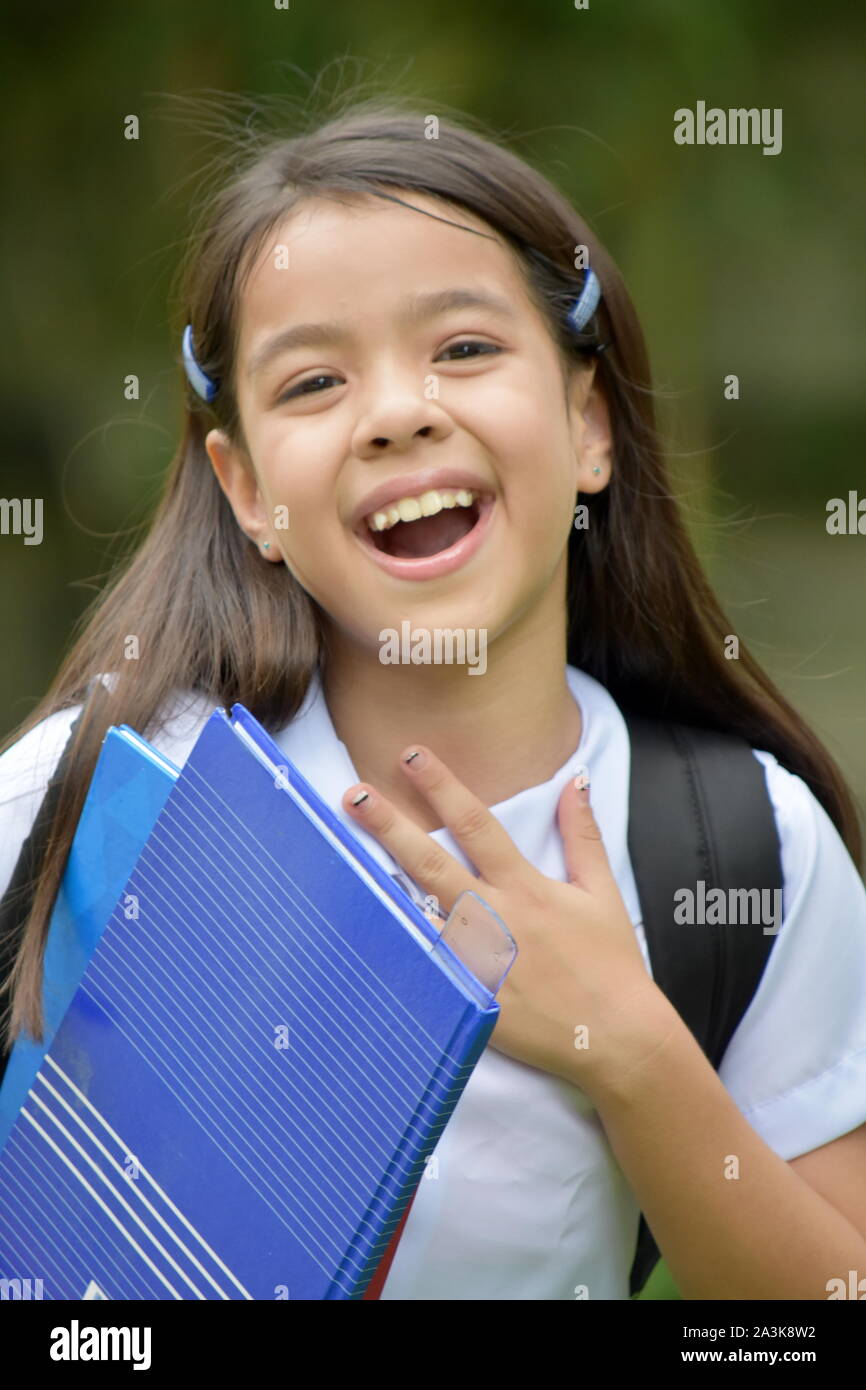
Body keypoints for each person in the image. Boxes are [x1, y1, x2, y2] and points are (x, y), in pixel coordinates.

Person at [1, 98, 865, 1301]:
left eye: (462, 347)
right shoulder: (82, 794)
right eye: (311, 381)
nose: (399, 411)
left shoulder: (747, 849)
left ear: (588, 422)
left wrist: (627, 1048)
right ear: (245, 489)